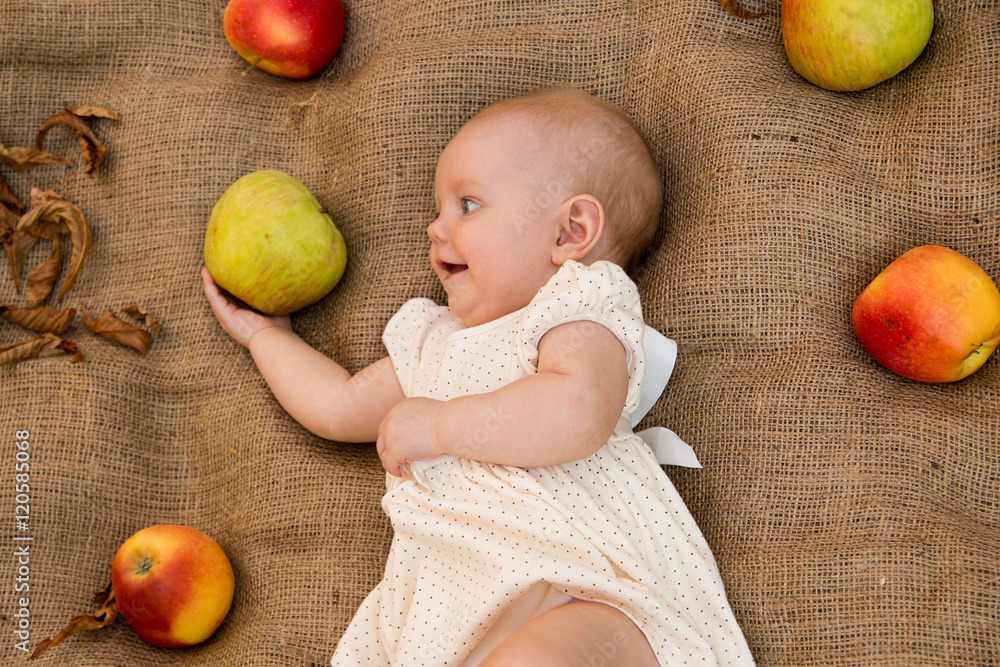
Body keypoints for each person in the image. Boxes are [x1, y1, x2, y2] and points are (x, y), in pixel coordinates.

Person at [203, 87, 755, 666]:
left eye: (467, 205)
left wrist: (441, 425)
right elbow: (339, 406)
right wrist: (267, 337)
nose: (435, 229)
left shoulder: (573, 306)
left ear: (570, 233)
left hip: (577, 583)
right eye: (439, 209)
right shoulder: (431, 344)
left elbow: (579, 408)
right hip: (450, 613)